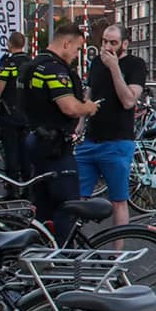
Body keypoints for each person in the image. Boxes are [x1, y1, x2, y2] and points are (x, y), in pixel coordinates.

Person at [21, 22, 98, 235]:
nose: (76, 54)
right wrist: (88, 108)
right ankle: (66, 257)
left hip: (36, 141)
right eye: (77, 49)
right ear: (66, 43)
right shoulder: (54, 69)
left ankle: (44, 256)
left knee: (43, 207)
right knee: (68, 205)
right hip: (55, 147)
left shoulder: (33, 65)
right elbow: (69, 107)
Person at [77, 22, 146, 225]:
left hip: (117, 141)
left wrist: (115, 67)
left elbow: (128, 101)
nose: (107, 47)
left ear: (125, 44)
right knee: (77, 196)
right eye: (105, 42)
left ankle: (117, 253)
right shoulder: (96, 63)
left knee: (118, 200)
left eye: (113, 43)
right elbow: (89, 93)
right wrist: (81, 121)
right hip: (90, 139)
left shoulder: (136, 64)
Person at [0, 31, 32, 191]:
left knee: (11, 153)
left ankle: (12, 189)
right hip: (28, 116)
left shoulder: (8, 64)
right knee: (27, 154)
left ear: (9, 44)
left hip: (9, 115)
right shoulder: (32, 63)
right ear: (23, 44)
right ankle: (28, 189)